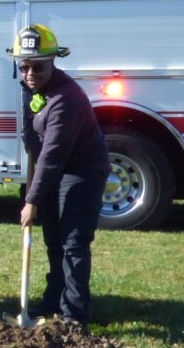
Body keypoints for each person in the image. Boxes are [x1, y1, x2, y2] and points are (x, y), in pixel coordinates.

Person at [7, 25, 109, 326]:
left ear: (53, 62)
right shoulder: (34, 90)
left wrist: (31, 200)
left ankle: (74, 314)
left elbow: (53, 154)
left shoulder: (66, 98)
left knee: (73, 242)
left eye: (37, 66)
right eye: (24, 66)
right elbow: (35, 140)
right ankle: (53, 301)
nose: (29, 73)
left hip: (82, 171)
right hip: (55, 169)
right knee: (53, 239)